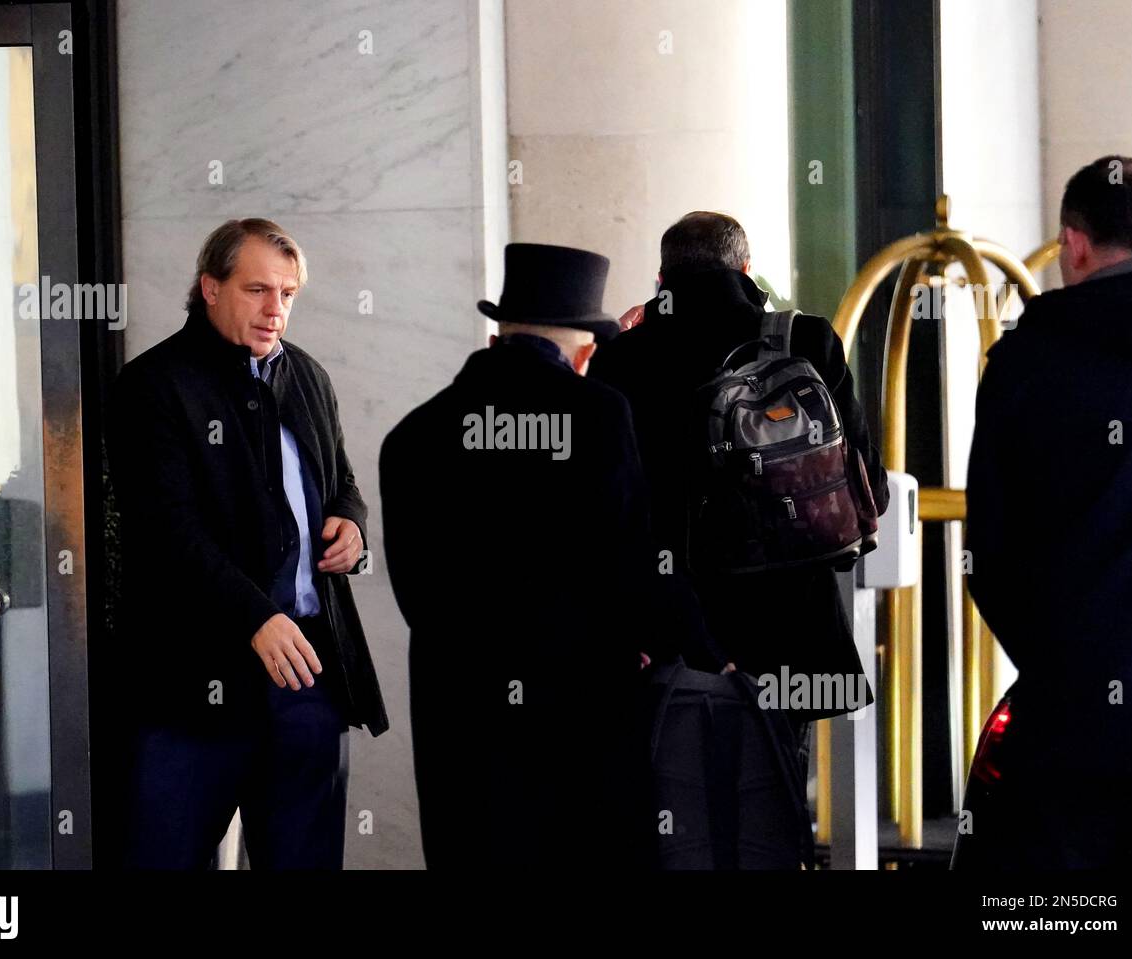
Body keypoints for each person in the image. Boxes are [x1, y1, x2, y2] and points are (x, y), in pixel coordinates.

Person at [380, 243, 678, 868]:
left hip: (458, 718)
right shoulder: (599, 413)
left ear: (494, 342)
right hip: (582, 713)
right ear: (586, 355)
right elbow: (632, 562)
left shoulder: (411, 435)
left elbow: (417, 597)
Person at [109, 218, 387, 869]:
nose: (276, 309)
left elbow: (341, 477)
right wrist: (253, 616)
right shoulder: (152, 386)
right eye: (258, 289)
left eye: (288, 293)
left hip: (305, 677)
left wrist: (351, 522)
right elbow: (166, 531)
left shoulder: (309, 376)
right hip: (189, 685)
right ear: (210, 287)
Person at [590, 211, 888, 777]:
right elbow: (866, 481)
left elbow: (605, 509)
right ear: (747, 269)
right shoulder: (805, 339)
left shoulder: (624, 357)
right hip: (788, 624)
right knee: (769, 806)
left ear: (661, 277)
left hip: (668, 629)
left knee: (674, 808)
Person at [966, 155, 1132, 868]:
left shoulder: (1025, 363)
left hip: (1069, 728)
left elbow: (988, 555)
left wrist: (1066, 666)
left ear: (1074, 244)